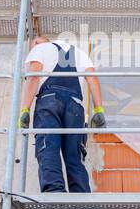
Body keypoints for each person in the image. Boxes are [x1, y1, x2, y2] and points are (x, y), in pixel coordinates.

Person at [18, 35, 105, 193]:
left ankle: (54, 193)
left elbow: (34, 76)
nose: (32, 50)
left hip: (49, 102)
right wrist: (99, 110)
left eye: (32, 46)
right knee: (74, 155)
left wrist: (25, 108)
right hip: (75, 105)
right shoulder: (78, 52)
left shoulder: (40, 48)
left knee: (48, 147)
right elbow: (92, 79)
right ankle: (80, 197)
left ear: (38, 42)